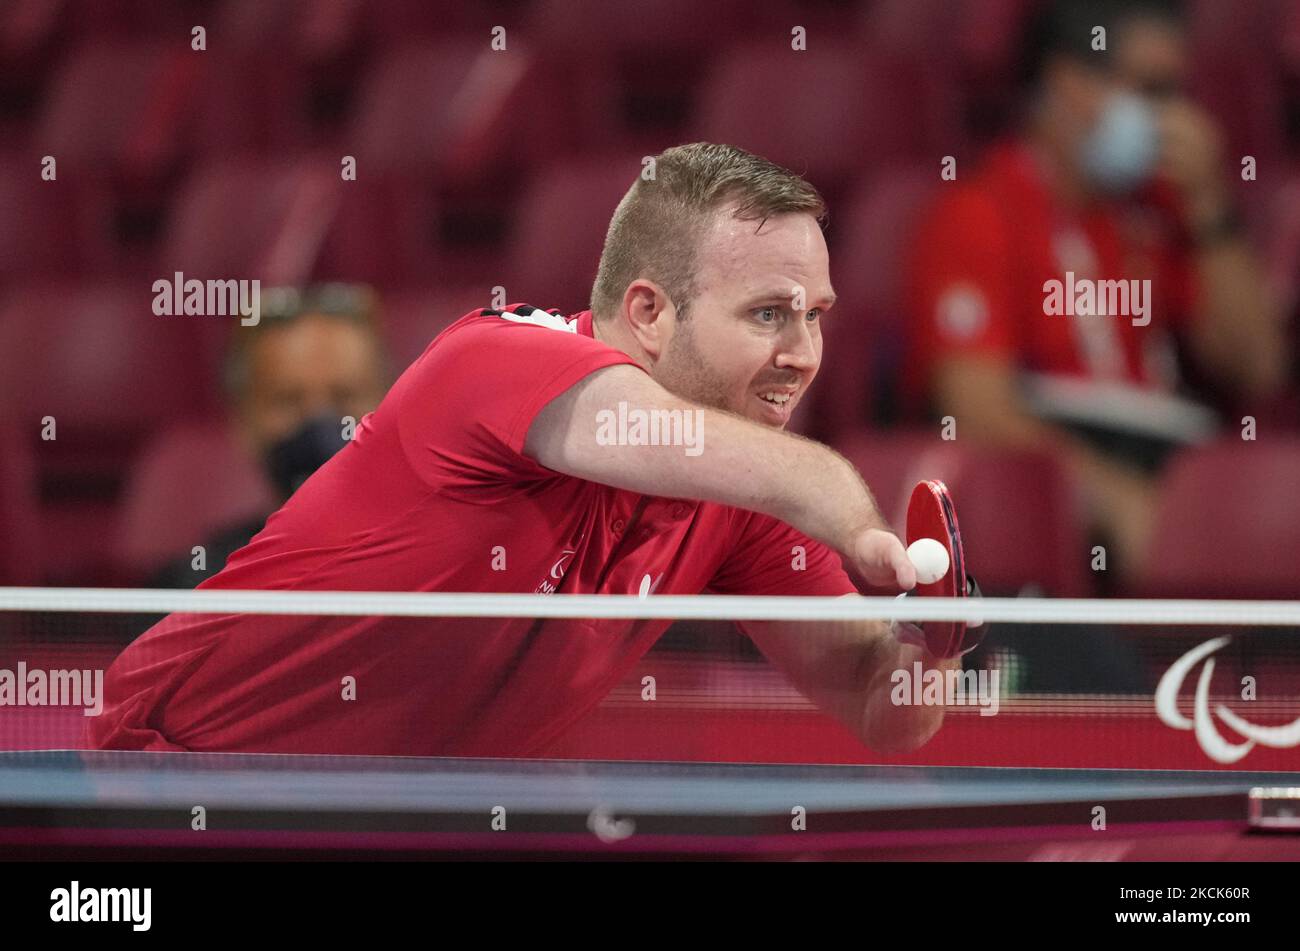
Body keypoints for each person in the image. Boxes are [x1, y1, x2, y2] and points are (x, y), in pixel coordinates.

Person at [91, 143, 966, 757]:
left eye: (816, 315)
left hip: (395, 823)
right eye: (769, 313)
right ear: (652, 312)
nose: (805, 354)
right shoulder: (494, 360)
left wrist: (933, 648)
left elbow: (876, 705)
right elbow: (659, 435)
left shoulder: (738, 492)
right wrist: (854, 517)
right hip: (171, 781)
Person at [904, 0, 1288, 586]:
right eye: (1151, 90)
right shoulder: (980, 212)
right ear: (1067, 83)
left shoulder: (1166, 209)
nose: (1172, 117)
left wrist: (1210, 208)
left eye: (1176, 92)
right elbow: (974, 405)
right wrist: (1109, 496)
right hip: (1056, 489)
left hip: (1173, 465)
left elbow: (1259, 368)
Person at [148, 284, 391, 588]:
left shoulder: (435, 579)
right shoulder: (194, 590)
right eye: (288, 400)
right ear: (243, 421)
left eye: (343, 397)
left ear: (388, 407)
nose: (318, 421)